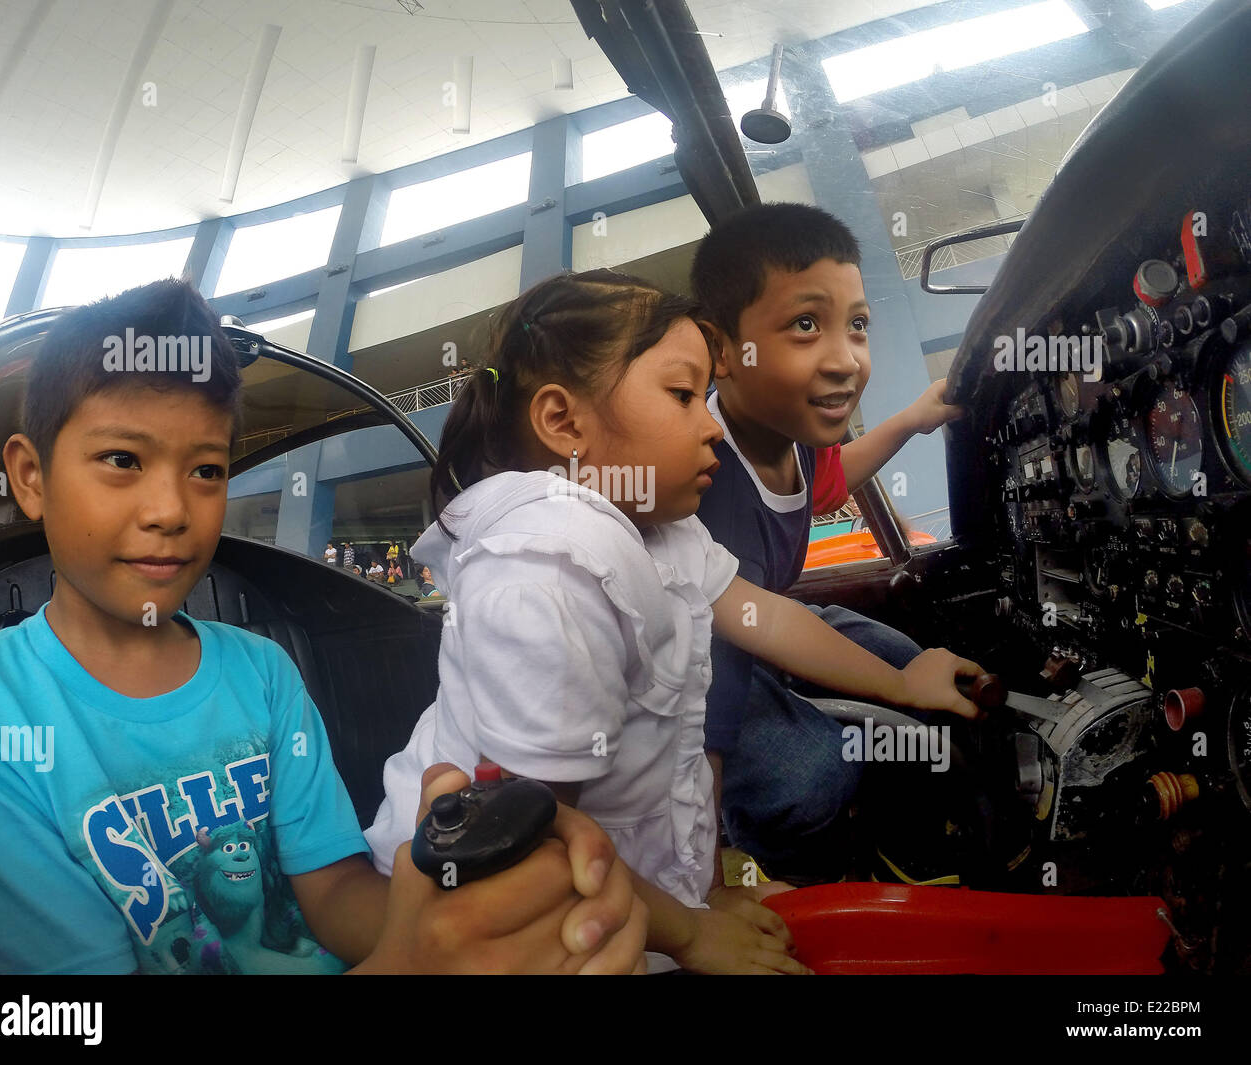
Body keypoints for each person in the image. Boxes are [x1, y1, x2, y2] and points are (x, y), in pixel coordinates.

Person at [0, 278, 646, 975]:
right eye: (123, 460)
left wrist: (462, 916)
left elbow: (335, 889)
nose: (169, 508)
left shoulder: (264, 673)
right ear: (31, 477)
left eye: (206, 469)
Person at [363, 270, 983, 973]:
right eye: (683, 394)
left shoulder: (661, 532)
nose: (711, 423)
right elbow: (535, 842)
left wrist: (902, 683)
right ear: (564, 422)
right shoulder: (546, 571)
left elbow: (764, 616)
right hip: (496, 924)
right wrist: (690, 932)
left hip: (618, 899)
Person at [689, 201, 967, 885]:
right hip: (698, 662)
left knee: (902, 652)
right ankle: (787, 866)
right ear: (722, 349)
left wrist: (910, 420)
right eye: (806, 325)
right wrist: (712, 885)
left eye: (858, 325)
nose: (845, 359)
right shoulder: (712, 482)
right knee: (808, 775)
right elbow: (761, 627)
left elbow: (833, 478)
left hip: (757, 624)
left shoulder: (790, 436)